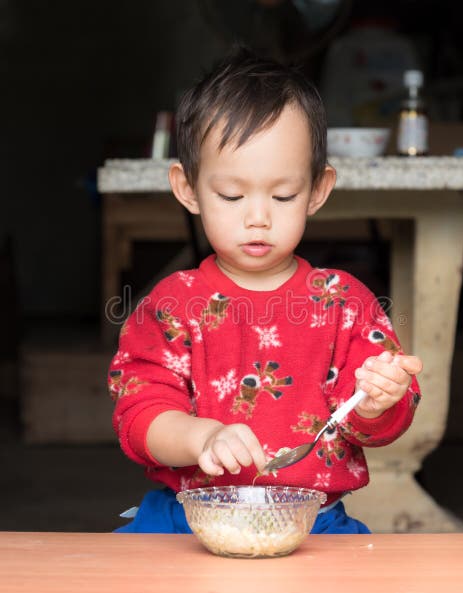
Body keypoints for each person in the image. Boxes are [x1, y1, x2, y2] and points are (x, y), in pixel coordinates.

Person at [108, 47, 423, 534]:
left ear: (318, 189)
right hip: (187, 519)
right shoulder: (171, 305)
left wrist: (380, 399)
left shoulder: (344, 303)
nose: (258, 216)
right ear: (187, 188)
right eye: (231, 196)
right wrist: (200, 437)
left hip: (313, 524)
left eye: (283, 195)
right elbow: (139, 414)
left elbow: (371, 422)